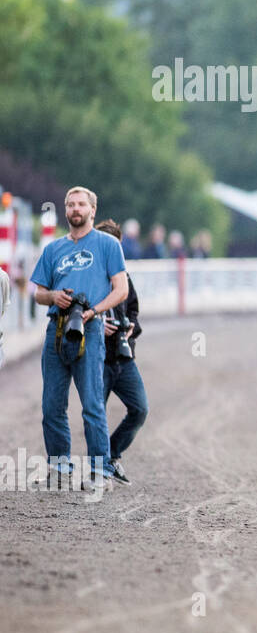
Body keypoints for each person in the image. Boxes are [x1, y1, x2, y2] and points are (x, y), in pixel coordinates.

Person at [30, 187, 128, 489]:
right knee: (51, 406)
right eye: (70, 204)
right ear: (65, 209)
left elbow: (120, 289)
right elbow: (38, 294)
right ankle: (60, 468)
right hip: (56, 329)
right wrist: (54, 296)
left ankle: (101, 471)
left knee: (92, 404)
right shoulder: (52, 249)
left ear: (92, 210)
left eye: (81, 204)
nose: (75, 209)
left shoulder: (108, 245)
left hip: (91, 328)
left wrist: (94, 310)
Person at [95, 220, 148, 485]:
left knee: (139, 410)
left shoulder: (124, 276)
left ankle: (113, 454)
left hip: (124, 357)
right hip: (97, 358)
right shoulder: (89, 276)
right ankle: (99, 468)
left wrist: (130, 330)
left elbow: (134, 311)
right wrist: (96, 324)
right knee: (96, 414)